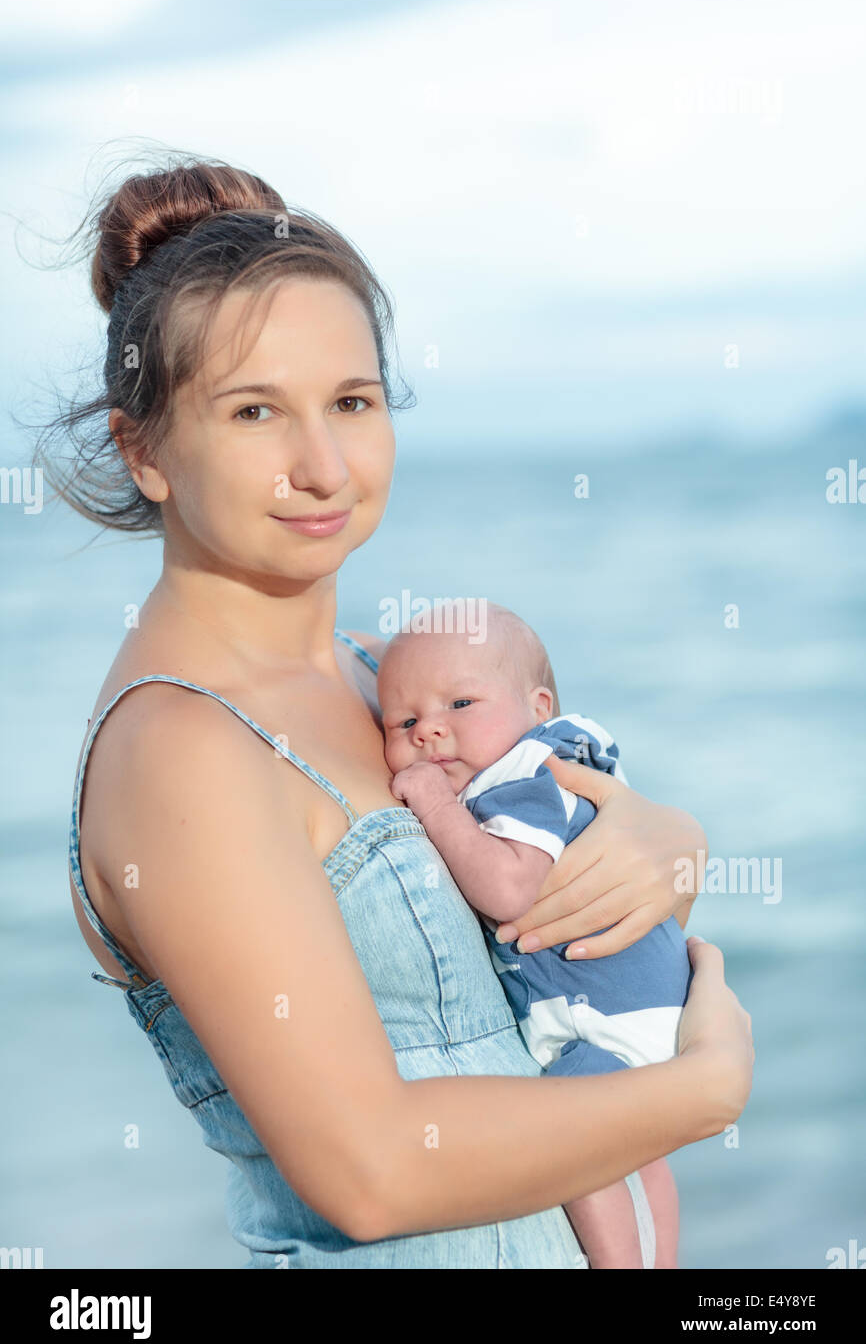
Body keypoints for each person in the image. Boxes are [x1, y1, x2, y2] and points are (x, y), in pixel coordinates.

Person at [39, 148, 753, 1268]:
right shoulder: (181, 746)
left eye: (352, 401)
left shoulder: (388, 677)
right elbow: (368, 1169)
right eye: (255, 411)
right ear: (146, 451)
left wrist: (665, 840)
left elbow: (554, 861)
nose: (322, 464)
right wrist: (700, 1092)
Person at [378, 603, 691, 1268]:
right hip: (632, 1008)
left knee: (582, 1145)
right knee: (639, 1154)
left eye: (460, 702)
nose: (430, 729)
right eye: (405, 723)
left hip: (606, 1015)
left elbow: (505, 889)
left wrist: (432, 803)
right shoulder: (519, 776)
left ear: (537, 704)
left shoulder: (523, 781)